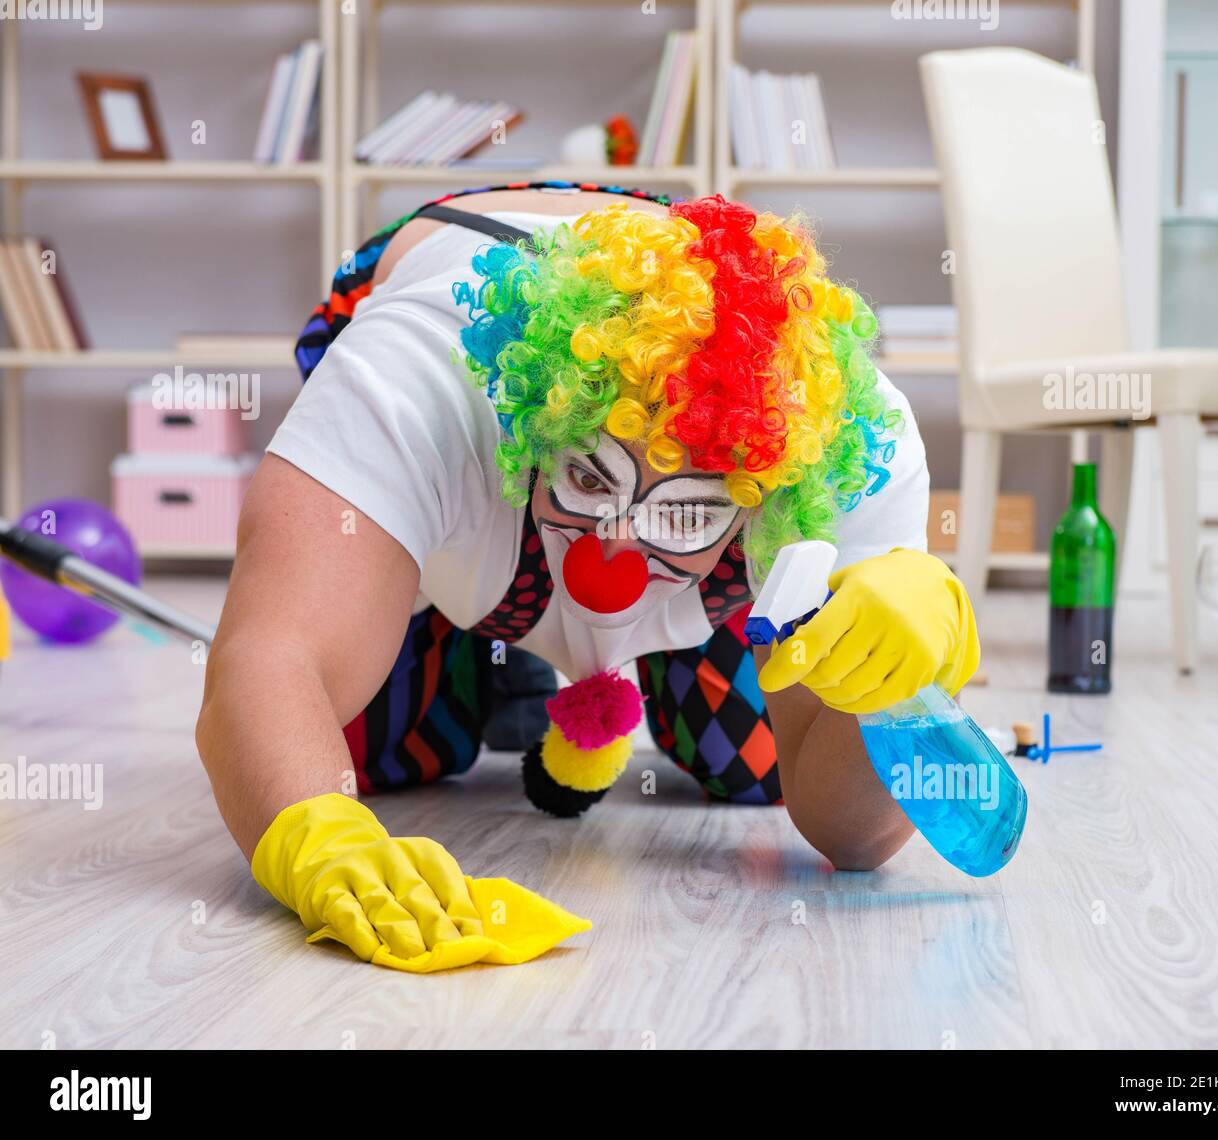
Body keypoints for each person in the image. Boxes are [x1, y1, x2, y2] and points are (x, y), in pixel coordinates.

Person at [195, 183, 980, 973]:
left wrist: (911, 669)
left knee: (748, 769)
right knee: (372, 752)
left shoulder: (841, 444)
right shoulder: (419, 375)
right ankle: (498, 656)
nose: (616, 554)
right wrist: (315, 834)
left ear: (763, 506)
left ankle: (610, 626)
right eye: (588, 477)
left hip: (707, 535)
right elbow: (266, 660)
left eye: (686, 515)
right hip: (466, 431)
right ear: (532, 422)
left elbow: (851, 836)